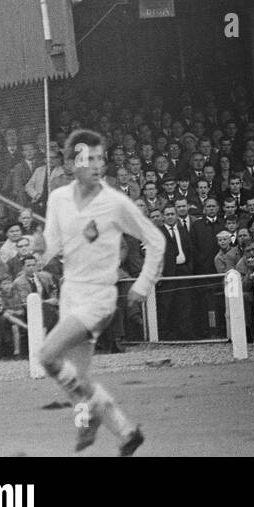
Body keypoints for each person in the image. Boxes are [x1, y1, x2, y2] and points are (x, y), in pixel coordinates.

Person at [37, 129, 165, 455]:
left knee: (47, 356)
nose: (96, 165)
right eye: (86, 159)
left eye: (100, 158)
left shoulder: (115, 203)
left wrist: (142, 283)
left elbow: (156, 240)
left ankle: (91, 414)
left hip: (99, 297)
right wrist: (39, 251)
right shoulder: (58, 199)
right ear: (70, 164)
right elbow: (53, 245)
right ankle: (125, 431)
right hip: (71, 294)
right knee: (77, 379)